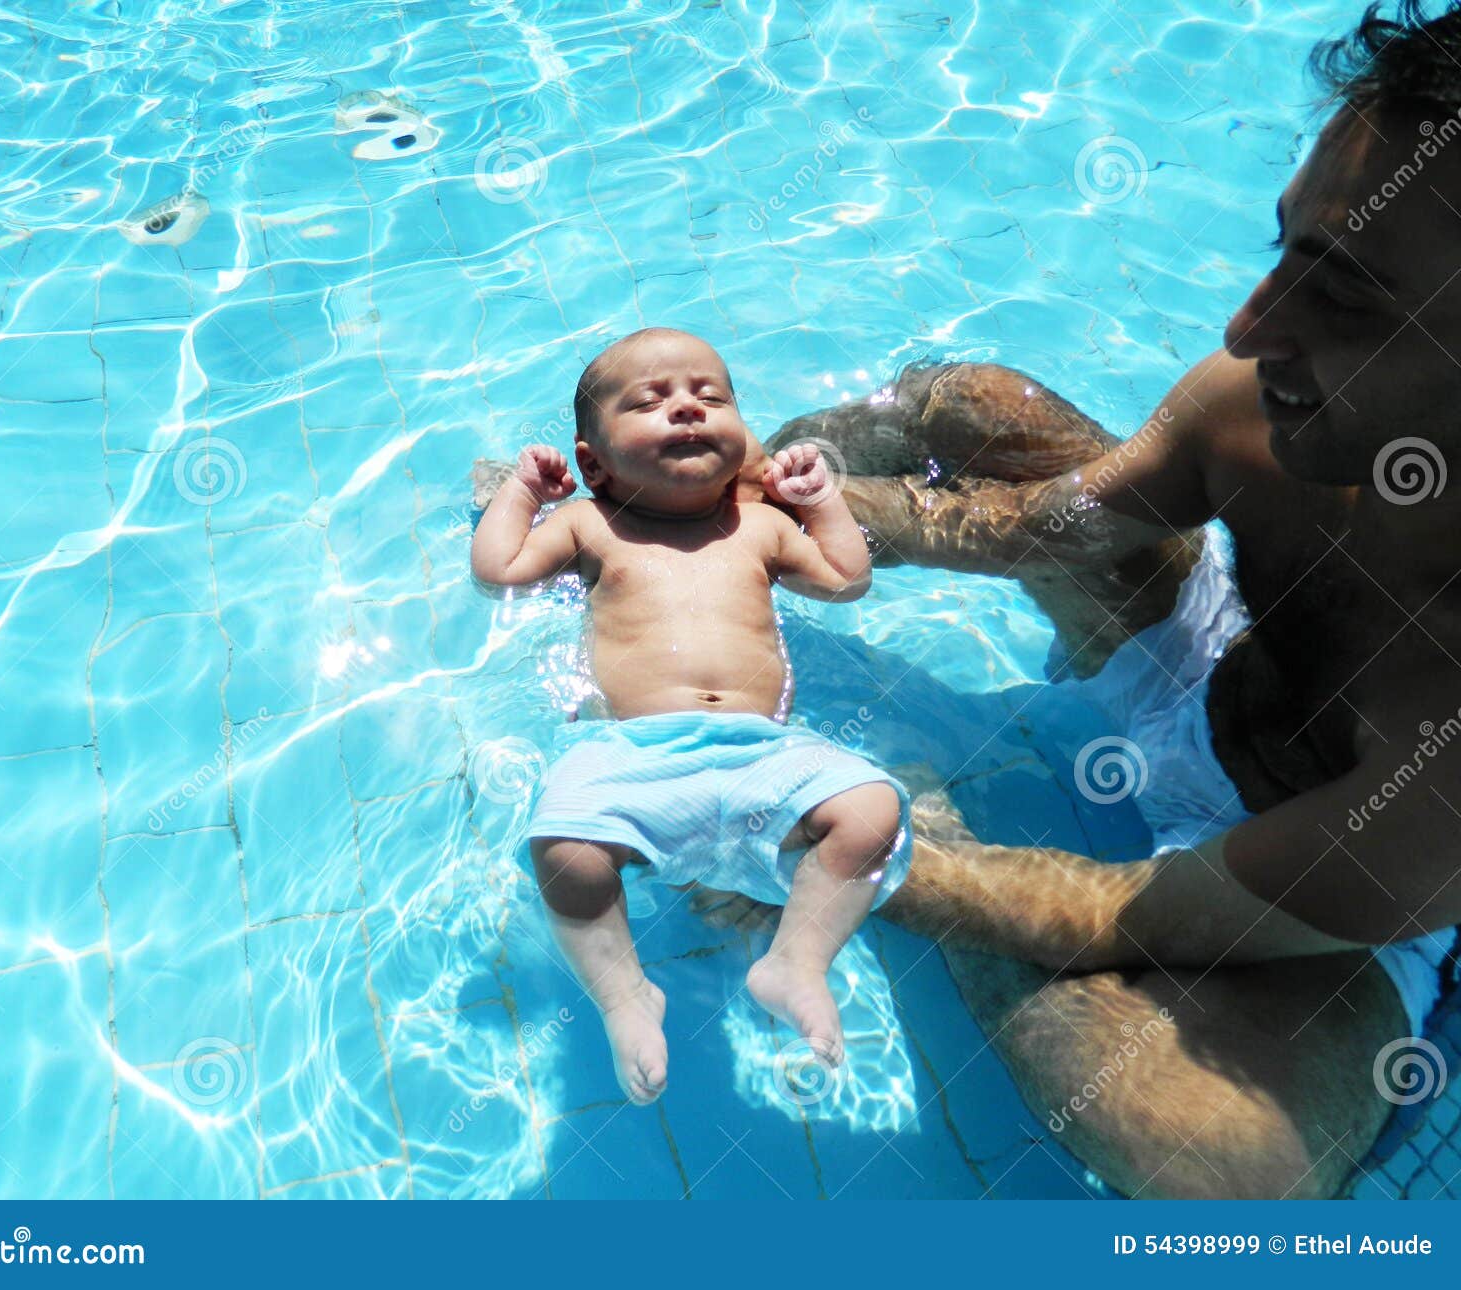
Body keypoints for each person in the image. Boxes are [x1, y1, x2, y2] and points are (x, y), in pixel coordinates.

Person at [709, 0, 1461, 1199]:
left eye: (1348, 294)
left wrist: (826, 842)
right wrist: (740, 522)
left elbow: (1127, 913)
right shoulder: (1258, 398)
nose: (1250, 325)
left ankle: (915, 802)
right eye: (1286, 252)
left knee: (1212, 1176)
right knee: (975, 408)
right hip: (1208, 670)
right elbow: (1019, 527)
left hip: (1334, 910)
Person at [469, 327, 911, 1104]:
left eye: (711, 397)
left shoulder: (763, 528)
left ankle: (795, 960)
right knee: (565, 850)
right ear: (594, 463)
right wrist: (520, 495)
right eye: (651, 401)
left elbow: (845, 581)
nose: (686, 409)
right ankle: (624, 994)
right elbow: (498, 573)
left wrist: (823, 501)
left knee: (873, 810)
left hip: (764, 748)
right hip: (631, 750)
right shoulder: (589, 526)